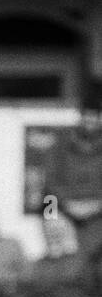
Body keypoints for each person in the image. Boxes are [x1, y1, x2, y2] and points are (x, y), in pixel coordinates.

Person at [42, 94, 102, 260]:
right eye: (87, 115)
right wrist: (68, 205)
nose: (90, 120)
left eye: (95, 115)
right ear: (80, 116)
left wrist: (96, 205)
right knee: (48, 205)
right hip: (65, 207)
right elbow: (49, 181)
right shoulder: (61, 144)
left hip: (97, 208)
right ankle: (57, 256)